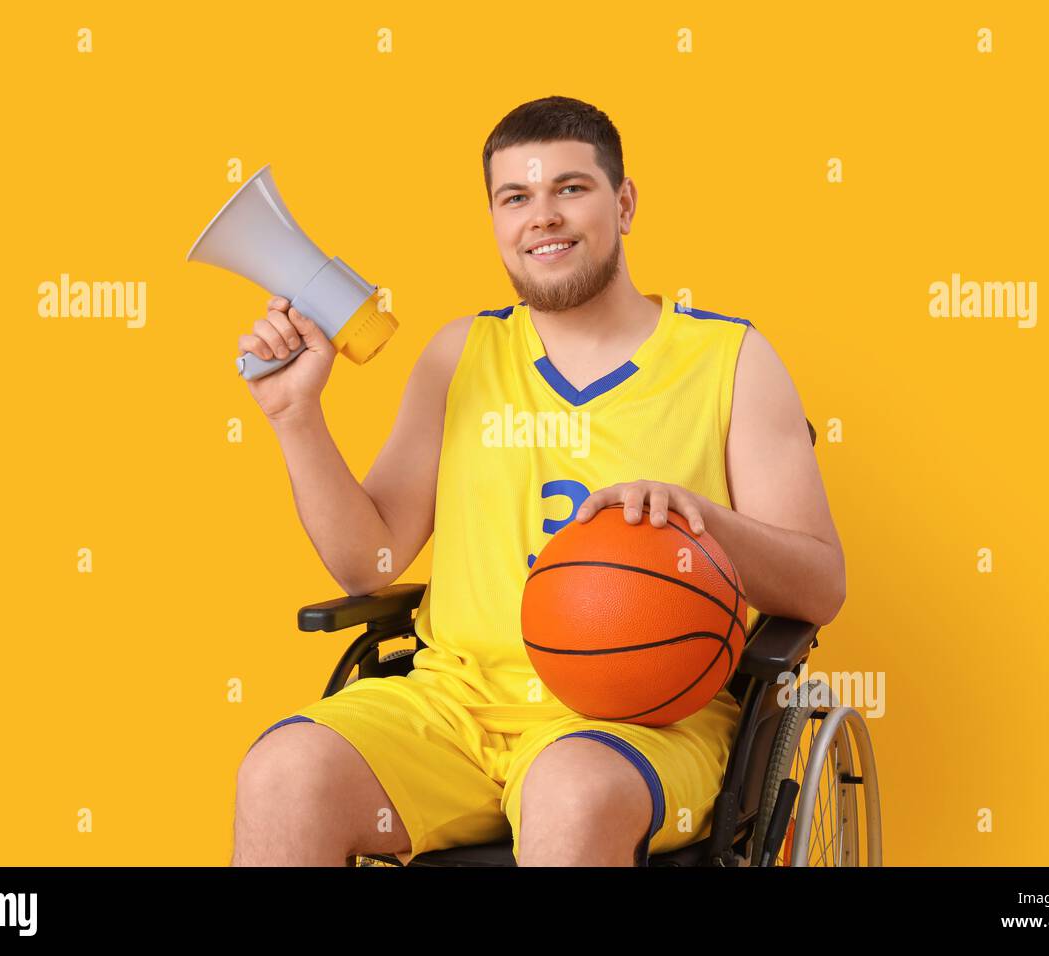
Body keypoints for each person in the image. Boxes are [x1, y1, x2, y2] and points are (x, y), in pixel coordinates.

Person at [231, 96, 845, 867]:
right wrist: (296, 417)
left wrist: (706, 524)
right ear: (494, 221)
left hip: (643, 720)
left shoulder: (732, 360)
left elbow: (820, 587)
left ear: (623, 203)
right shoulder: (458, 355)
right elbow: (369, 565)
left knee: (569, 790)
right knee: (281, 774)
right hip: (454, 706)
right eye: (515, 198)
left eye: (570, 189)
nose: (542, 216)